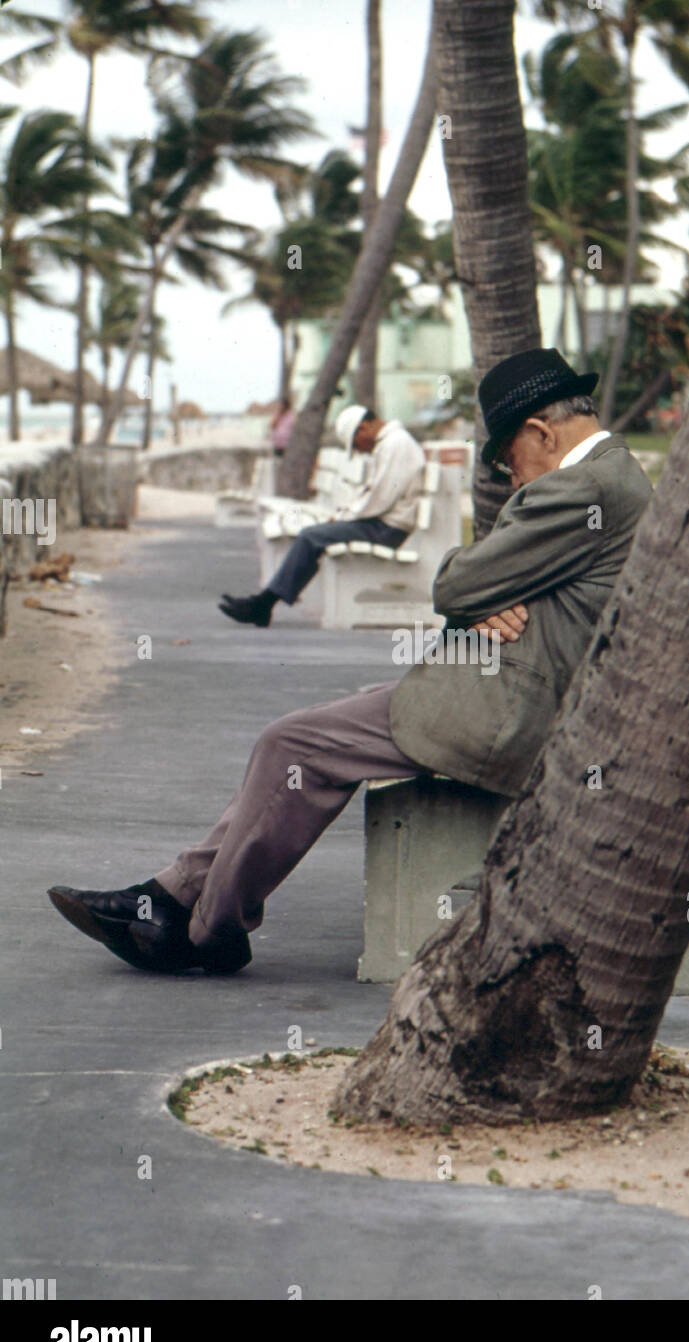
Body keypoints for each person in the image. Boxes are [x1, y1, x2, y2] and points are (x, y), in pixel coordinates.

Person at [48, 348, 653, 976]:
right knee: (313, 729)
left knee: (293, 743)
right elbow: (486, 590)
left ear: (540, 432)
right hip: (529, 688)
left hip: (518, 711)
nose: (510, 478)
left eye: (506, 461)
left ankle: (203, 933)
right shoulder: (619, 475)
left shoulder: (580, 488)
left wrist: (481, 592)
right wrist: (489, 597)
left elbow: (456, 583)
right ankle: (171, 894)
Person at [219, 406, 425, 626]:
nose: (360, 451)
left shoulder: (395, 444)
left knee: (311, 536)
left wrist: (345, 516)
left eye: (355, 445)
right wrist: (345, 515)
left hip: (386, 529)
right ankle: (263, 604)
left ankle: (263, 604)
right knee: (314, 536)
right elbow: (379, 494)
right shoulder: (393, 443)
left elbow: (381, 496)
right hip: (382, 524)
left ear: (363, 428)